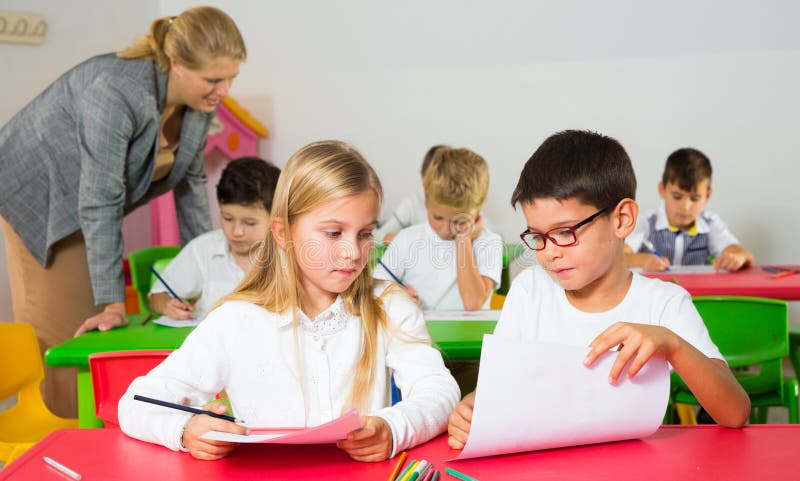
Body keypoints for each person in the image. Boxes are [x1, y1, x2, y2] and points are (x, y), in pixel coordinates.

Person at [118, 140, 460, 462]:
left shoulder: (390, 305)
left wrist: (394, 428)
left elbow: (439, 391)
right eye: (333, 233)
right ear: (283, 234)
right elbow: (134, 403)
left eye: (365, 233)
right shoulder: (236, 319)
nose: (353, 252)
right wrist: (185, 430)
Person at [0, 6, 246, 417]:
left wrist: (207, 263)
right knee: (71, 329)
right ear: (178, 64)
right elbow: (100, 201)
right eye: (214, 80)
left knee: (105, 324)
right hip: (39, 198)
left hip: (90, 201)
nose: (224, 90)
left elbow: (191, 184)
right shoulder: (114, 91)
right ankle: (64, 436)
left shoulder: (199, 104)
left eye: (231, 78)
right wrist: (113, 303)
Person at [447, 130, 749, 450]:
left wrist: (673, 345)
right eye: (537, 236)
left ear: (622, 219)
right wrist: (472, 408)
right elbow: (499, 389)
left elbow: (735, 412)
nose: (549, 252)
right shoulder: (529, 292)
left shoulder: (663, 305)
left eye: (564, 232)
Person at [148, 157, 280, 321]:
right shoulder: (203, 249)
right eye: (227, 218)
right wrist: (167, 305)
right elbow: (156, 296)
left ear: (275, 218)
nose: (236, 232)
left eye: (249, 223)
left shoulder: (289, 253)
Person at [374, 147, 502, 311]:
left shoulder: (489, 243)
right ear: (426, 200)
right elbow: (375, 286)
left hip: (470, 336)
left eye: (460, 221)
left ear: (480, 206)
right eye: (438, 218)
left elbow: (473, 303)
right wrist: (397, 293)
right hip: (417, 335)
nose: (445, 230)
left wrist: (463, 240)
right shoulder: (407, 239)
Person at [624, 148, 754, 272]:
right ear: (662, 190)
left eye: (695, 198)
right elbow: (619, 257)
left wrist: (737, 257)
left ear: (707, 195)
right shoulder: (646, 222)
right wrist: (643, 260)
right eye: (677, 197)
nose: (685, 207)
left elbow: (742, 253)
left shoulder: (710, 223)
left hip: (696, 295)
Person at [374, 144, 448, 244]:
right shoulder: (413, 204)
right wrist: (406, 242)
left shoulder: (462, 210)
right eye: (433, 179)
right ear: (423, 177)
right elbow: (378, 235)